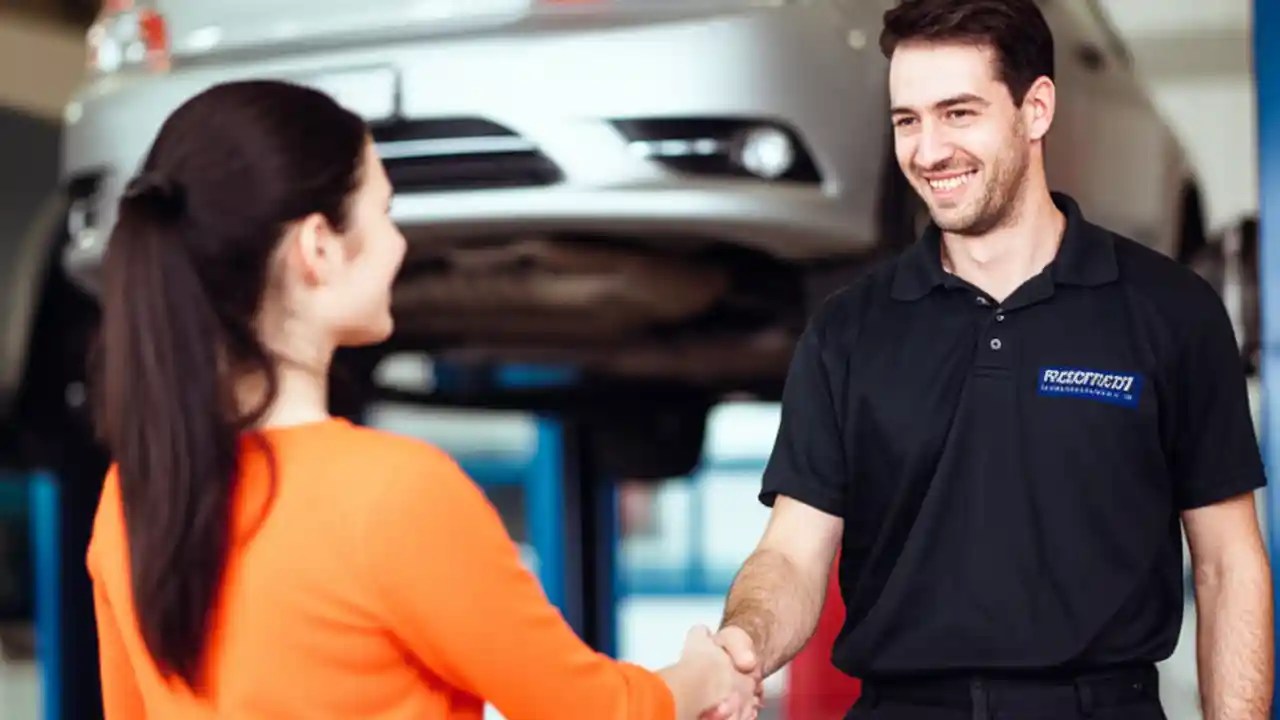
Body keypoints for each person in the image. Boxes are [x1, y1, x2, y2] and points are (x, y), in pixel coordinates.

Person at [85, 79, 760, 720]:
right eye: (383, 213)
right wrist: (705, 673)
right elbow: (597, 710)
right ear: (318, 247)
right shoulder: (392, 493)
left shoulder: (132, 497)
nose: (399, 243)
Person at [710, 0, 1274, 718]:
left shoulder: (1171, 312)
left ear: (1035, 109)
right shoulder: (849, 331)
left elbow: (1228, 565)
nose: (928, 149)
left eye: (958, 113)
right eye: (907, 120)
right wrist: (745, 641)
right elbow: (791, 554)